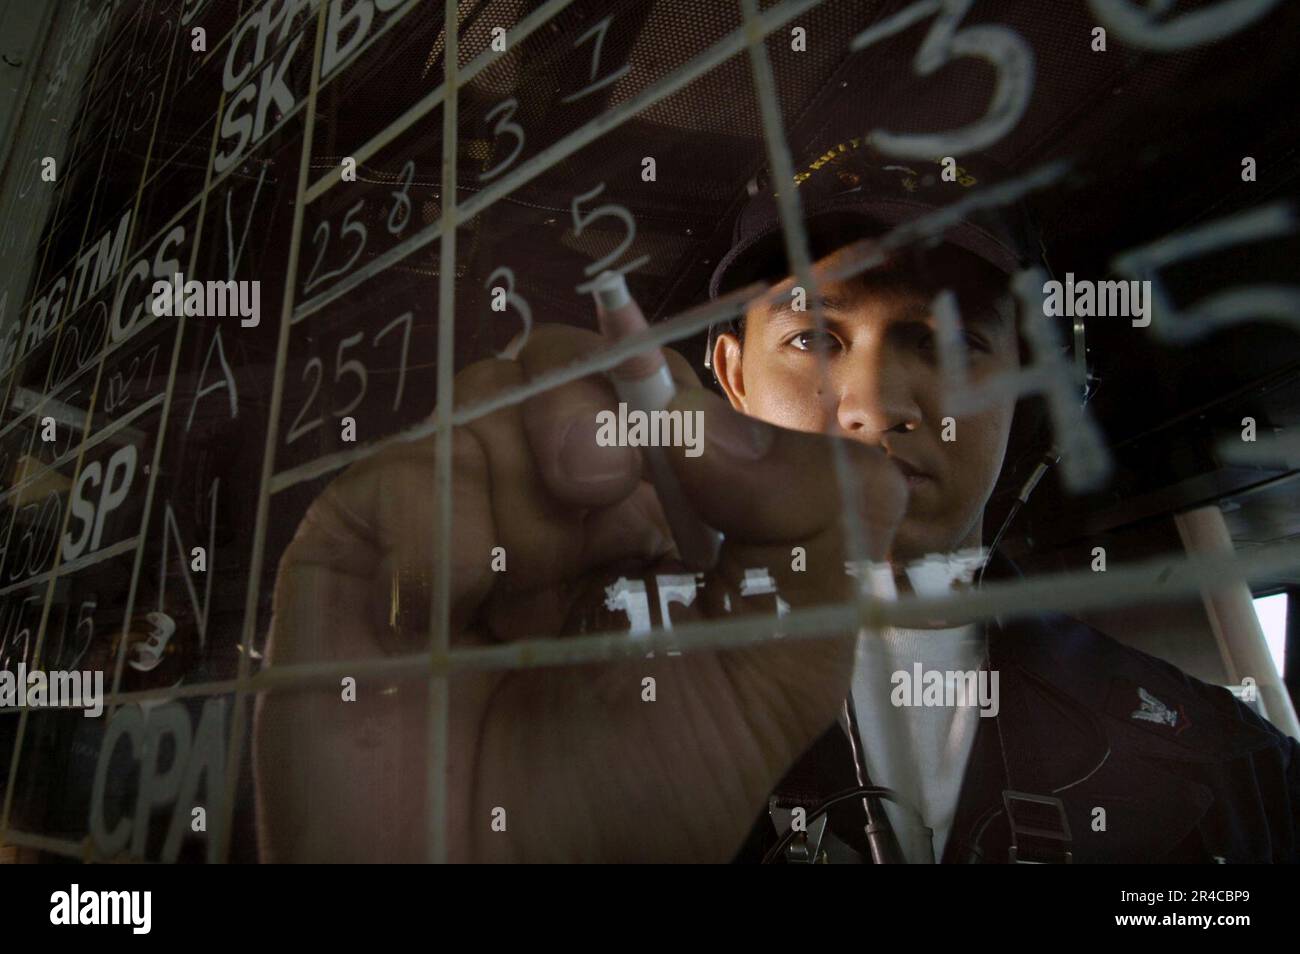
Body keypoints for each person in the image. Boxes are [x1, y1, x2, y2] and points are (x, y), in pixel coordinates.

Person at [252, 138, 1300, 864]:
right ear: (730, 373)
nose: (876, 401)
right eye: (814, 339)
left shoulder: (1234, 767)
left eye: (948, 342)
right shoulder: (563, 716)